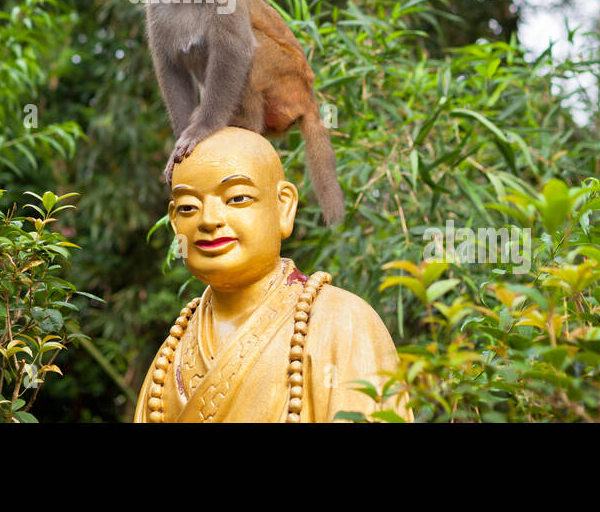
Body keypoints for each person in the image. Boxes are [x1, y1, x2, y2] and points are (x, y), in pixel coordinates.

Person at [135, 127, 411, 422]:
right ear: (175, 224)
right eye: (189, 207)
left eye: (237, 198)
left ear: (284, 207)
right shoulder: (171, 353)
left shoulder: (344, 322)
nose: (209, 220)